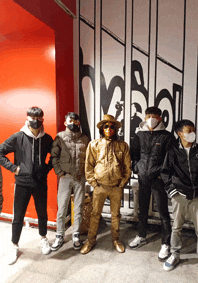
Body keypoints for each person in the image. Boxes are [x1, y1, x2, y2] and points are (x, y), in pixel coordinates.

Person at [161, 119, 198, 283]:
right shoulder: (171, 152)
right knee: (176, 228)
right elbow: (165, 173)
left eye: (193, 130)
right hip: (179, 197)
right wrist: (172, 191)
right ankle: (175, 255)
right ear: (180, 133)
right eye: (188, 130)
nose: (192, 133)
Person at [0, 107, 53, 264]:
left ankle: (43, 239)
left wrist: (47, 168)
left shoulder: (47, 139)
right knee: (18, 217)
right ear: (27, 118)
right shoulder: (18, 137)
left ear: (43, 119)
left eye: (39, 119)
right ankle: (14, 245)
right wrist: (14, 168)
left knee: (42, 213)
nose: (36, 122)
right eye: (32, 118)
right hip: (22, 183)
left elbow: (55, 155)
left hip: (40, 183)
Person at [129, 106, 175, 262]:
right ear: (144, 116)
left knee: (163, 212)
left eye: (154, 115)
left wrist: (163, 176)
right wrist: (137, 169)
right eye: (148, 115)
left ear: (160, 118)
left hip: (158, 180)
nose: (151, 118)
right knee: (142, 209)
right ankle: (141, 235)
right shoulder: (139, 135)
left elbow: (171, 159)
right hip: (143, 178)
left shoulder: (167, 137)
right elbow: (134, 155)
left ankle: (166, 243)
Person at [80, 114, 131, 254]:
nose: (109, 129)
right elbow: (88, 166)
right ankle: (91, 240)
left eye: (112, 126)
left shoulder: (123, 146)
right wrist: (94, 184)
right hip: (100, 187)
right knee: (95, 214)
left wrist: (121, 184)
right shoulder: (94, 145)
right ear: (102, 129)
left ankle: (116, 239)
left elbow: (127, 167)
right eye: (106, 126)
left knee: (116, 215)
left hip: (116, 187)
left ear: (116, 129)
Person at [51, 112, 89, 251]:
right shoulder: (60, 137)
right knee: (62, 208)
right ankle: (59, 235)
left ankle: (76, 234)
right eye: (70, 120)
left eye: (76, 121)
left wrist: (86, 174)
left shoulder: (85, 139)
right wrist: (60, 173)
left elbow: (90, 158)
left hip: (80, 178)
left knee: (78, 207)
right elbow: (54, 157)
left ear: (79, 123)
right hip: (65, 177)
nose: (73, 123)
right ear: (65, 123)